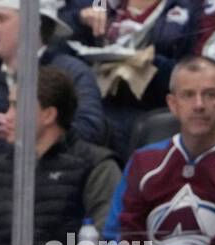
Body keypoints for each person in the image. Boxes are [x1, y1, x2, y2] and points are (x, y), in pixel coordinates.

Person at [104, 55, 215, 245]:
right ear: (172, 103)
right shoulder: (143, 162)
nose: (199, 105)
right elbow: (118, 238)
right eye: (188, 95)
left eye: (210, 95)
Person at [0, 67, 121, 245]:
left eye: (17, 106)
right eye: (9, 105)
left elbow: (105, 239)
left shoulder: (97, 166)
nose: (7, 116)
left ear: (48, 115)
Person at [0, 0, 107, 186]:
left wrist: (27, 129)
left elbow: (91, 131)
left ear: (32, 24)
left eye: (1, 19)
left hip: (55, 184)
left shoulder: (72, 74)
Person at [64, 0, 200, 154]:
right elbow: (60, 34)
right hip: (97, 100)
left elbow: (191, 70)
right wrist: (80, 18)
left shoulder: (181, 8)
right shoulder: (102, 3)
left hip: (149, 107)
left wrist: (152, 63)